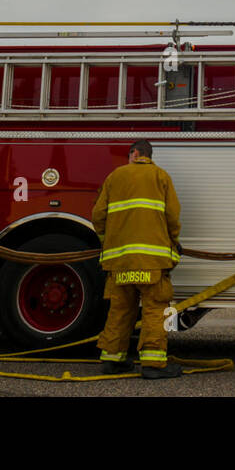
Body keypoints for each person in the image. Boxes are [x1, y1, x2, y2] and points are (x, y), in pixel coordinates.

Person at [91, 140, 183, 380]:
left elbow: (98, 215)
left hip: (120, 264)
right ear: (149, 156)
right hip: (152, 263)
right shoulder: (160, 177)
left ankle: (112, 359)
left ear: (134, 154)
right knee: (156, 309)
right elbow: (172, 215)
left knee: (120, 310)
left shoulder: (114, 177)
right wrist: (174, 241)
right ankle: (153, 364)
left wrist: (106, 241)